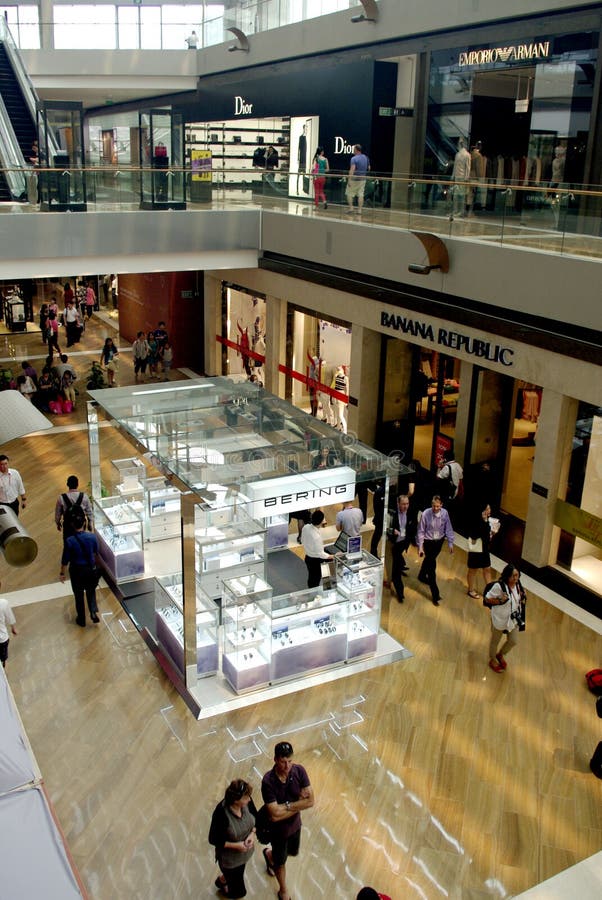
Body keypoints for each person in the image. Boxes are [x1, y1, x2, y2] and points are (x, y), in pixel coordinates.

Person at [261, 741, 314, 900]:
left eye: (290, 761)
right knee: (281, 863)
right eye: (283, 762)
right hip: (278, 833)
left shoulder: (299, 771)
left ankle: (270, 855)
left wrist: (285, 807)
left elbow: (311, 801)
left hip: (295, 827)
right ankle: (283, 890)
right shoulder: (268, 781)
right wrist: (299, 803)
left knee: (291, 853)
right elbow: (274, 815)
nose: (287, 766)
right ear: (275, 759)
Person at [209, 779, 257, 899]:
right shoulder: (221, 813)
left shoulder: (247, 802)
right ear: (236, 800)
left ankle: (223, 881)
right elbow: (213, 839)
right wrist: (237, 846)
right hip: (229, 861)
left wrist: (252, 833)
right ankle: (227, 883)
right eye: (245, 798)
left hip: (243, 855)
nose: (249, 800)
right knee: (239, 892)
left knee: (238, 873)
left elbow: (256, 817)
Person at [59, 507, 100, 627]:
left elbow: (65, 559)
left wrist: (62, 573)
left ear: (72, 524)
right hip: (90, 569)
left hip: (76, 570)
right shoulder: (92, 537)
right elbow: (96, 553)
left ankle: (81, 619)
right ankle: (93, 612)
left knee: (78, 595)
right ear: (84, 522)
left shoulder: (69, 541)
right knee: (91, 591)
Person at [484, 563, 526, 673]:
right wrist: (499, 601)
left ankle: (500, 654)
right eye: (513, 576)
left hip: (513, 619)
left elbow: (518, 598)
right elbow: (487, 598)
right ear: (507, 576)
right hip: (500, 618)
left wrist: (522, 595)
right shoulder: (499, 586)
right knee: (495, 641)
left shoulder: (517, 584)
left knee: (513, 641)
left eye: (517, 575)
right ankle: (492, 659)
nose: (516, 578)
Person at [416, 495, 455, 606]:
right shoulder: (425, 514)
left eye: (438, 506)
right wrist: (420, 546)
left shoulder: (445, 513)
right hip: (428, 542)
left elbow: (448, 528)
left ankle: (422, 575)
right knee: (432, 565)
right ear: (431, 504)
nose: (435, 508)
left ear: (441, 505)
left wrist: (450, 543)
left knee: (429, 560)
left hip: (439, 542)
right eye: (434, 506)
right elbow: (421, 531)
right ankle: (435, 594)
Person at [388, 494, 418, 603]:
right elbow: (386, 527)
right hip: (394, 542)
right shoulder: (392, 513)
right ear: (398, 504)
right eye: (403, 504)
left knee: (397, 562)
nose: (406, 506)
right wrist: (393, 531)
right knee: (396, 569)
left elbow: (414, 528)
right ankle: (400, 593)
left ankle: (401, 564)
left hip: (403, 543)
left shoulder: (411, 512)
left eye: (407, 504)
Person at [466, 502, 495, 599]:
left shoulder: (488, 520)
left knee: (487, 569)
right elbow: (475, 534)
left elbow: (487, 536)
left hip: (485, 550)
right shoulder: (477, 520)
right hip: (476, 550)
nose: (488, 511)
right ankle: (470, 590)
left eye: (489, 509)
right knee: (472, 570)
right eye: (487, 509)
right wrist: (483, 522)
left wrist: (491, 532)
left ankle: (490, 591)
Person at [55, 475, 94, 543]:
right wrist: (90, 523)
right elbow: (89, 511)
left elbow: (57, 514)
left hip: (68, 526)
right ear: (77, 484)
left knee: (68, 544)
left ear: (67, 484)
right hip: (80, 525)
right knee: (81, 543)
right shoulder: (84, 496)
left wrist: (58, 523)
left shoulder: (61, 498)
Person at [301, 509, 330, 588]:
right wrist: (332, 556)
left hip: (308, 558)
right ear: (321, 521)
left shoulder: (306, 527)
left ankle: (312, 591)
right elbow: (320, 553)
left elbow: (302, 540)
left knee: (311, 578)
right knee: (315, 579)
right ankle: (315, 595)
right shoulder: (316, 537)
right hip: (316, 561)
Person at [346, 144, 370, 214]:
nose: (353, 151)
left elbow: (352, 170)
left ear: (356, 150)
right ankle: (359, 210)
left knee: (349, 193)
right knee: (361, 194)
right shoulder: (366, 157)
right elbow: (369, 168)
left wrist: (349, 179)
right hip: (363, 179)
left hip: (354, 179)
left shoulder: (354, 158)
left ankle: (351, 208)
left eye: (354, 149)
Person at [0, 584, 18, 669]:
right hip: (2, 639)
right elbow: (10, 618)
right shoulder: (4, 603)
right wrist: (13, 628)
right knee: (3, 658)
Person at [369, 481, 385, 557]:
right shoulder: (379, 492)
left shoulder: (394, 489)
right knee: (377, 535)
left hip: (387, 518)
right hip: (380, 519)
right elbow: (376, 507)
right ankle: (373, 553)